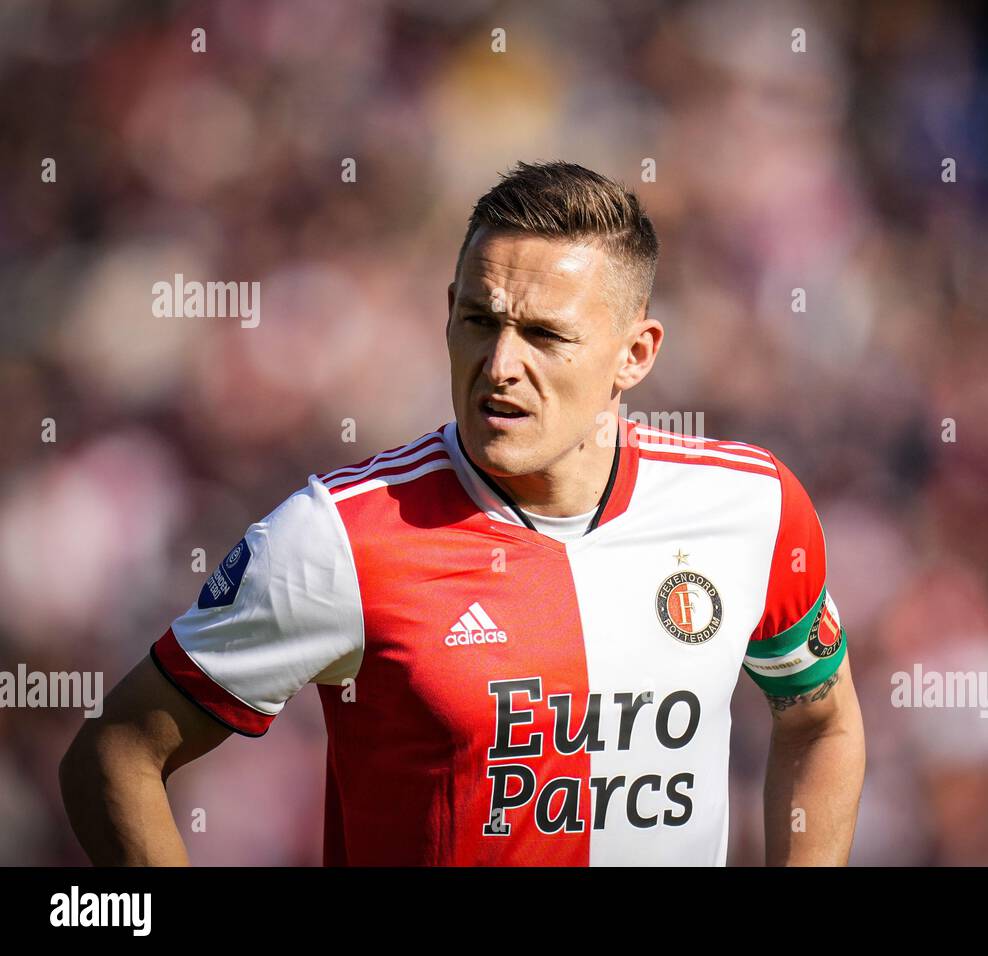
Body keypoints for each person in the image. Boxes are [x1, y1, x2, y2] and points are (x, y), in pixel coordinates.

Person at [60, 160, 865, 866]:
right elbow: (115, 751)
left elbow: (820, 722)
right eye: (481, 321)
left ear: (636, 354)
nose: (501, 366)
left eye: (546, 336)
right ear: (449, 312)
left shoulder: (749, 506)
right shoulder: (339, 535)